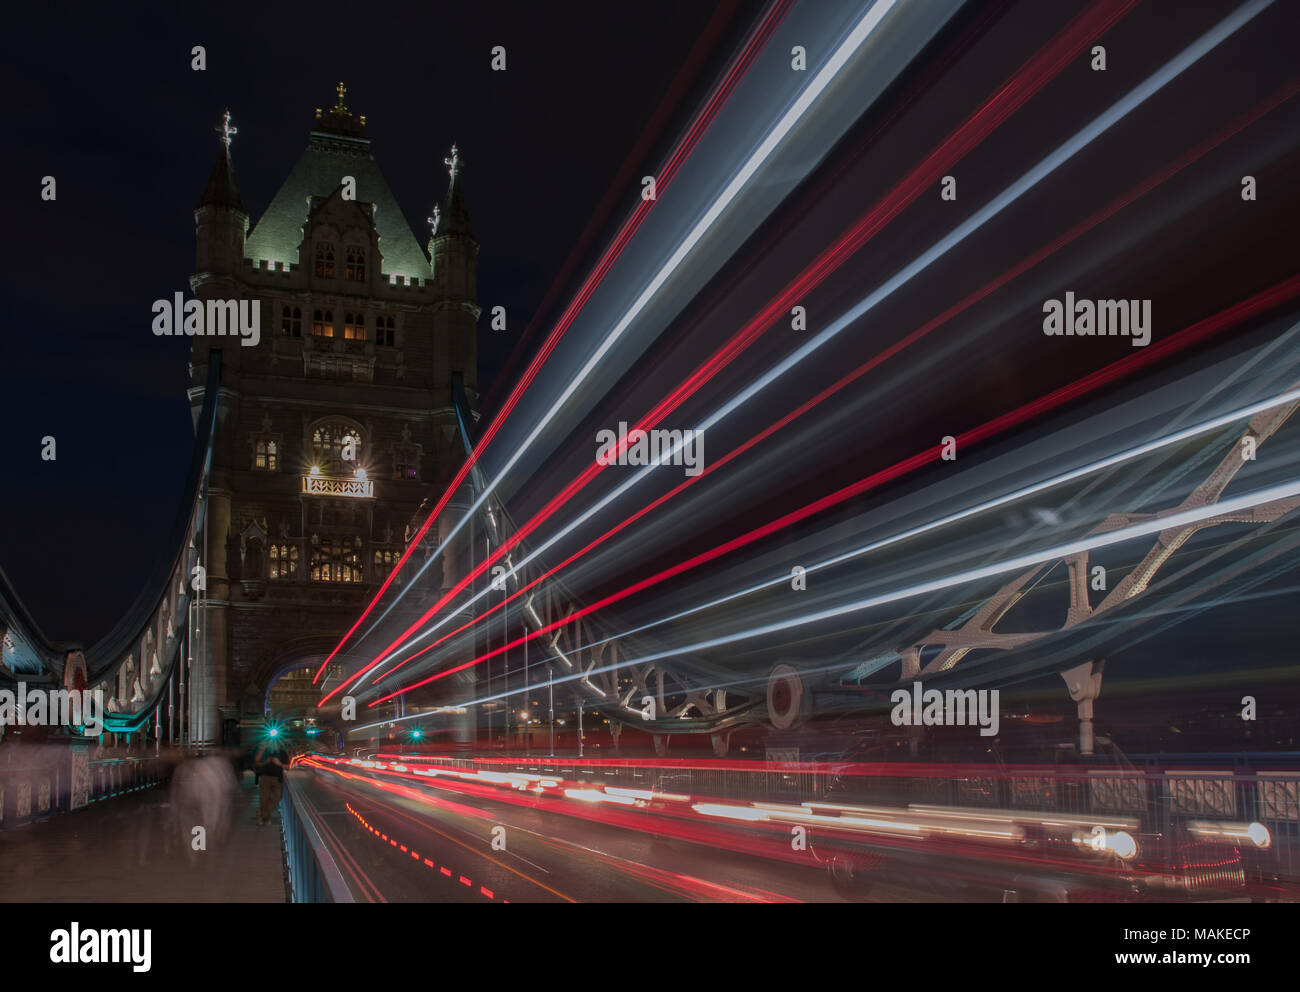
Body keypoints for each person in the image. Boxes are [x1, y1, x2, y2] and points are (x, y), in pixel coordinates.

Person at [253, 740, 287, 826]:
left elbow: (288, 766)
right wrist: (265, 760)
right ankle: (266, 819)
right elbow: (256, 762)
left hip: (277, 779)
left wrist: (279, 764)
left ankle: (262, 814)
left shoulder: (282, 753)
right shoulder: (265, 752)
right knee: (264, 799)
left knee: (277, 798)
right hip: (265, 778)